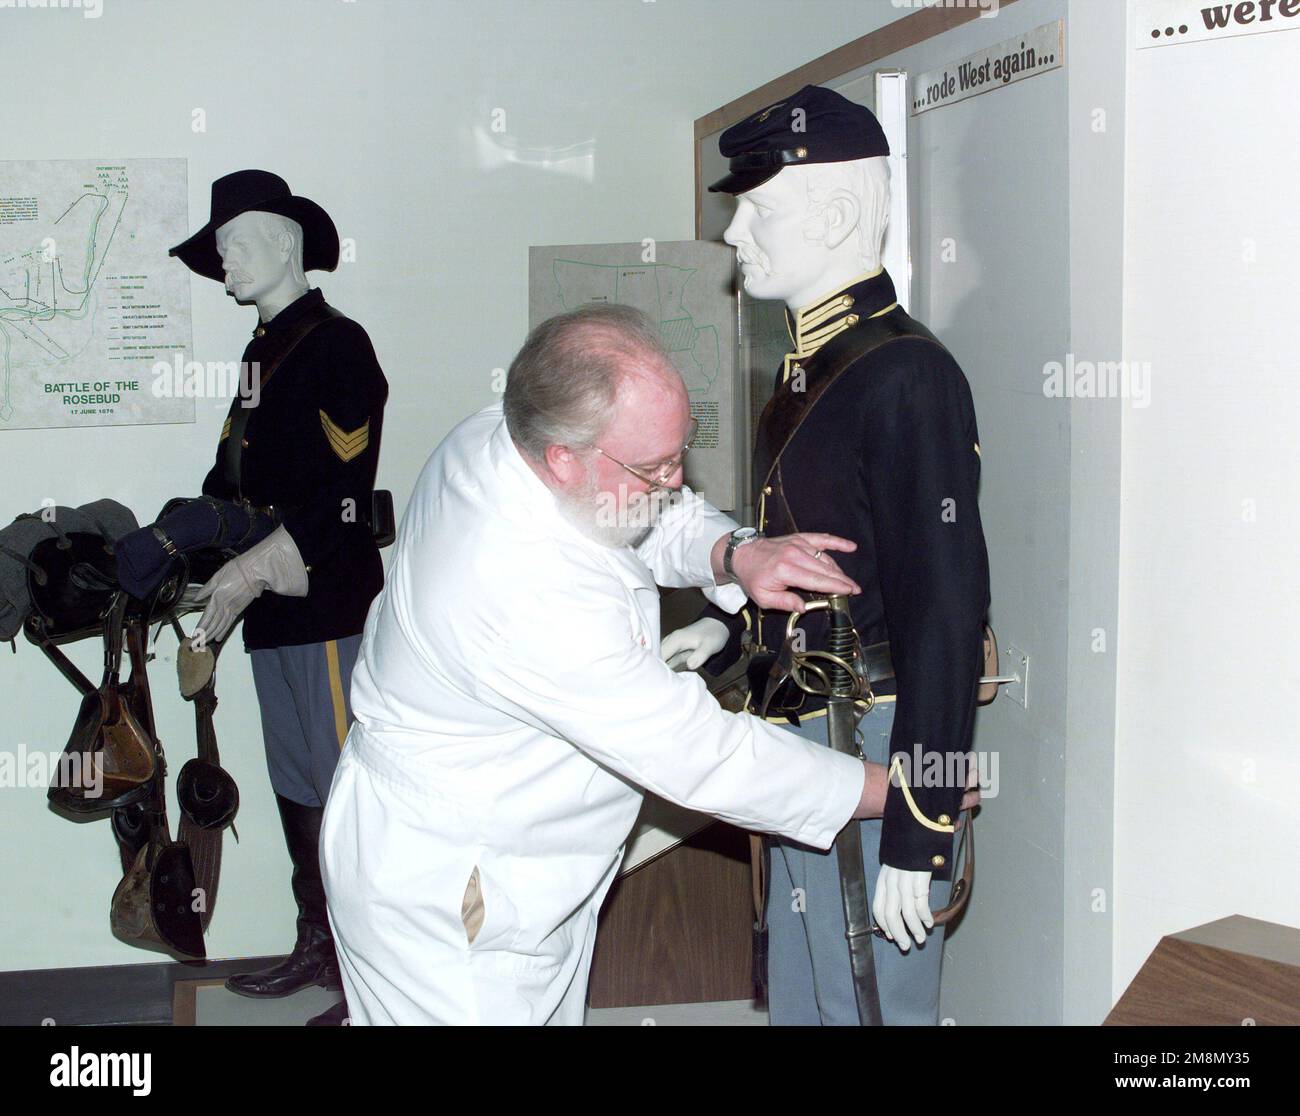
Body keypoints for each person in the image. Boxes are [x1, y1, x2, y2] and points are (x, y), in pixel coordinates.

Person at [320, 302, 891, 1025]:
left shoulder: (507, 435)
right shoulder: (518, 585)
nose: (676, 479)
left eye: (680, 452)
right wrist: (887, 791)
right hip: (451, 894)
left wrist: (734, 552)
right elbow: (699, 754)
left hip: (499, 858)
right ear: (564, 457)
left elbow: (638, 514)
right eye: (656, 465)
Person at [675, 84, 991, 1024]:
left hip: (880, 736)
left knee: (869, 1005)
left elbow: (945, 616)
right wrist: (732, 632)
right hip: (807, 732)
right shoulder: (809, 367)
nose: (734, 234)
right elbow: (827, 560)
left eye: (757, 208)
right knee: (808, 1000)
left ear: (840, 213)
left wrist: (921, 827)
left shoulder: (905, 373)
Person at [169, 170, 388, 1026]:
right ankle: (318, 943)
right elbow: (234, 477)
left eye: (234, 246)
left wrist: (258, 566)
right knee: (297, 781)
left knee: (345, 787)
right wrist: (183, 546)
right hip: (273, 613)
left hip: (325, 603)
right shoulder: (262, 351)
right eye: (219, 251)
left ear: (286, 244)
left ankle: (374, 976)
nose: (224, 264)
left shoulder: (337, 345)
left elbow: (343, 492)